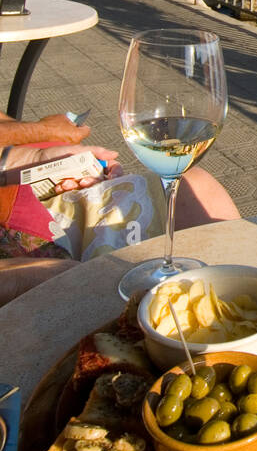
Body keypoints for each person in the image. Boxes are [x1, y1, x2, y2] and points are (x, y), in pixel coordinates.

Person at [0, 110, 240, 305]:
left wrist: (32, 160)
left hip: (15, 196)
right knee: (67, 283)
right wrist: (44, 130)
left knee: (194, 188)